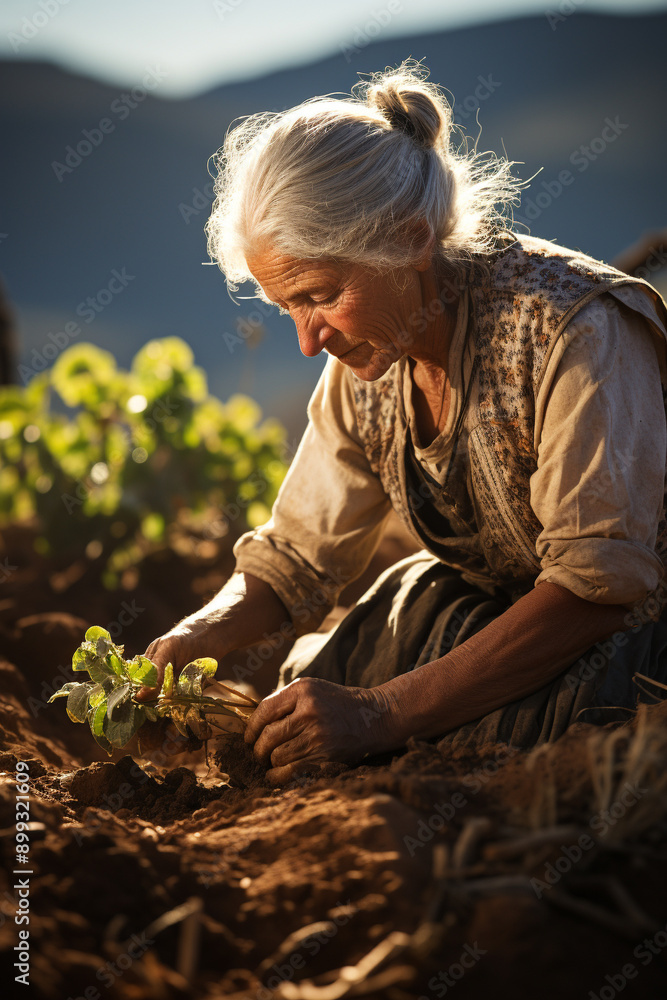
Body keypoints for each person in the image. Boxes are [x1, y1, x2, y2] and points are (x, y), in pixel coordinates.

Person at [137, 59, 667, 785]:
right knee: (398, 610)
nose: (307, 338)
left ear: (412, 240)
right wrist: (197, 634)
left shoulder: (575, 331)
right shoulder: (369, 367)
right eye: (285, 307)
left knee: (530, 741)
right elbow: (297, 555)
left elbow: (594, 593)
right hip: (513, 609)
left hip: (629, 637)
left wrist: (381, 713)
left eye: (320, 295)